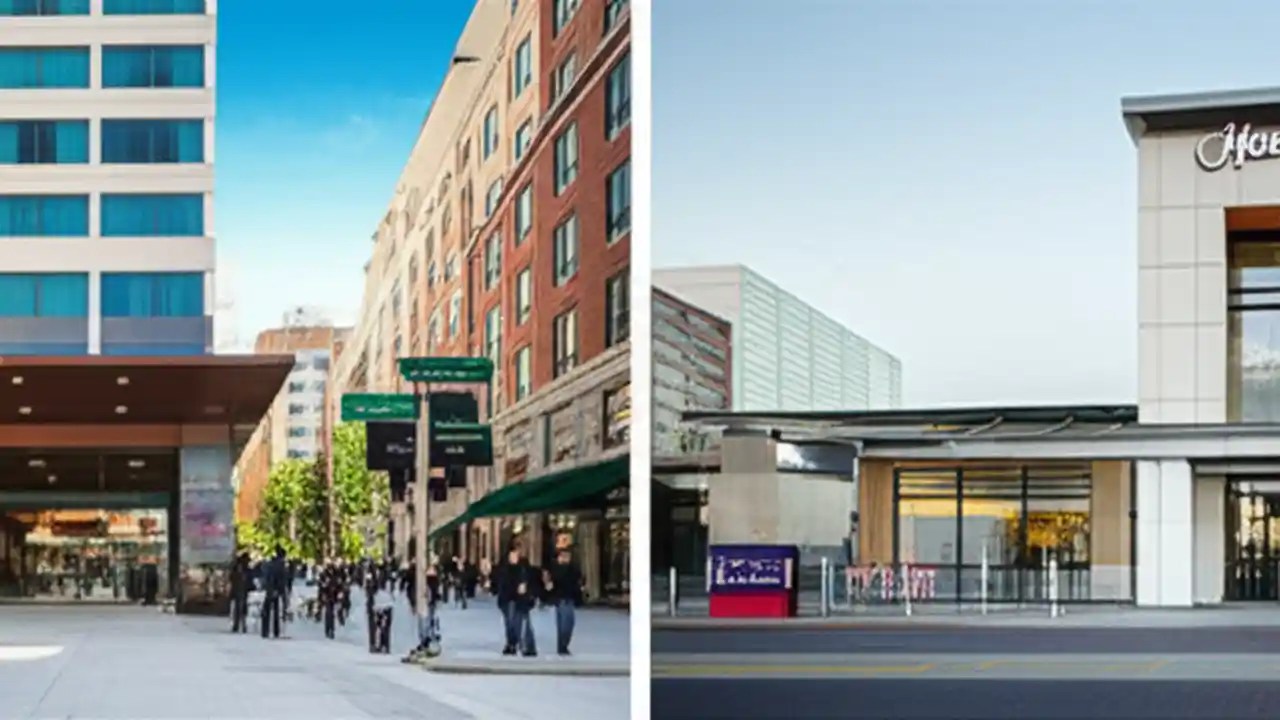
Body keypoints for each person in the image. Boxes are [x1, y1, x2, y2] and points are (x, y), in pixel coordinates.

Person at [496, 544, 538, 657]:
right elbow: (499, 582)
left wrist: (529, 592)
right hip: (507, 599)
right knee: (510, 623)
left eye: (516, 554)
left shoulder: (524, 567)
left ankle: (527, 646)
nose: (515, 556)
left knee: (523, 624)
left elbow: (532, 581)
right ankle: (511, 644)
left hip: (521, 600)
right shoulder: (504, 567)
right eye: (513, 554)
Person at [546, 549, 583, 656]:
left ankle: (562, 646)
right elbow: (552, 581)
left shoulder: (573, 568)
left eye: (568, 556)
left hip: (569, 599)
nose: (567, 559)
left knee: (568, 624)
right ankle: (562, 646)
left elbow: (578, 581)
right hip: (561, 599)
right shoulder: (556, 568)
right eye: (564, 556)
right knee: (564, 624)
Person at [260, 547, 287, 640]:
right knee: (276, 611)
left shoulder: (270, 563)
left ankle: (265, 631)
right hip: (275, 589)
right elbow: (281, 580)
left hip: (269, 589)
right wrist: (280, 591)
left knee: (267, 610)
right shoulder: (280, 565)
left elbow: (267, 577)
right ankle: (276, 631)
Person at [229, 552, 251, 634]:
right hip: (241, 590)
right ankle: (241, 625)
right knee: (241, 609)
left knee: (239, 609)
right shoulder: (242, 568)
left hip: (240, 590)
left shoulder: (239, 568)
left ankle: (238, 625)